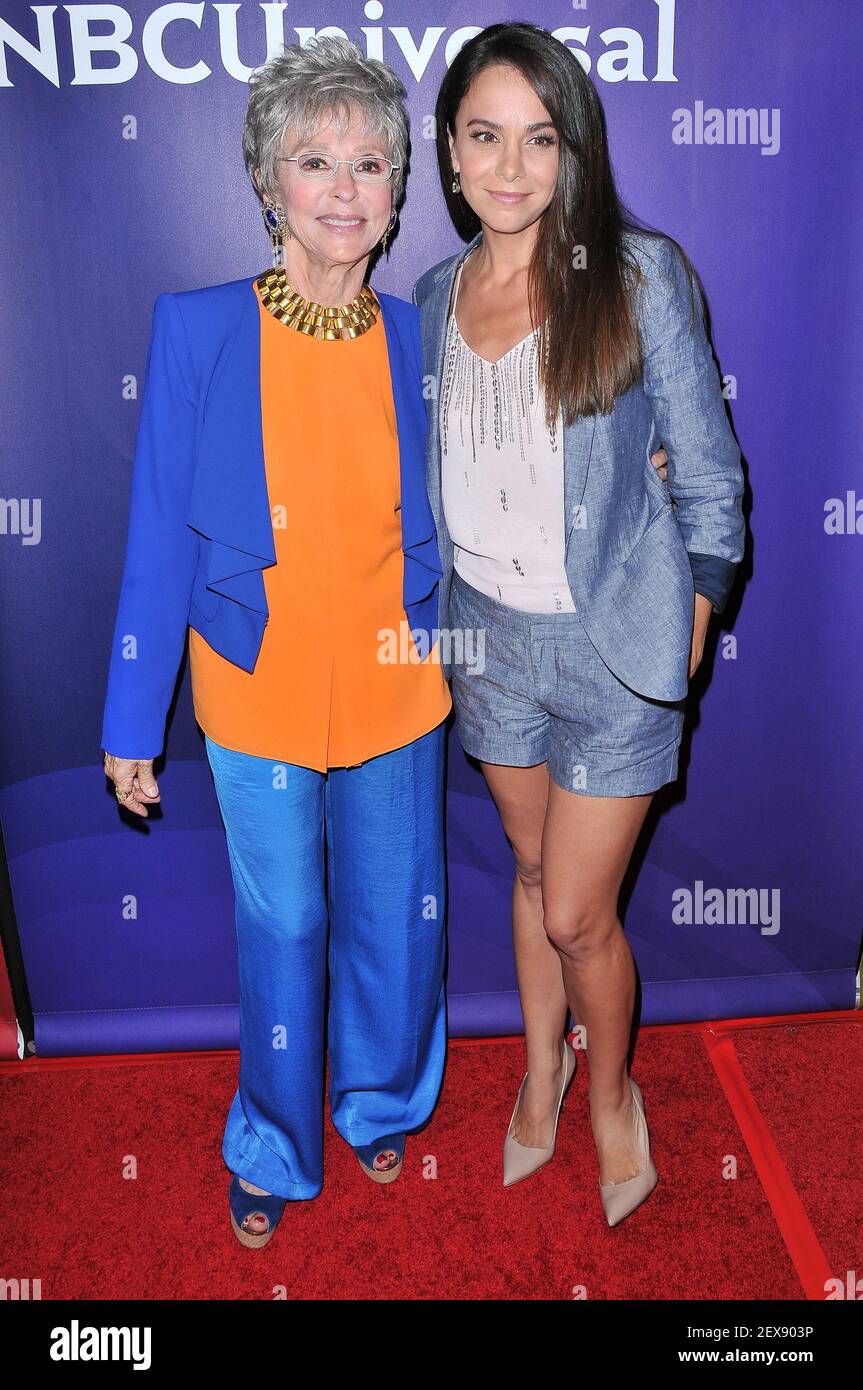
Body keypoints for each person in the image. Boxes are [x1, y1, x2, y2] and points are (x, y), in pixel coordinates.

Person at [101, 36, 452, 1248]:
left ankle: (379, 1096)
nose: (346, 188)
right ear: (269, 182)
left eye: (369, 161)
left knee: (391, 918)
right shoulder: (199, 330)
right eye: (315, 159)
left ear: (398, 188)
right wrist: (128, 720)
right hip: (254, 689)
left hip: (399, 684)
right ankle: (274, 1137)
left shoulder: (419, 338)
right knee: (286, 927)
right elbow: (157, 531)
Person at [413, 23, 746, 1226]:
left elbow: (708, 472)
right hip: (483, 642)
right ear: (448, 157)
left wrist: (696, 600)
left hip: (613, 649)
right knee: (526, 870)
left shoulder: (640, 272)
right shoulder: (432, 295)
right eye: (484, 137)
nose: (510, 166)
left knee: (574, 910)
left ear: (573, 146)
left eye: (538, 138)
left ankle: (609, 1090)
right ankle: (537, 1068)